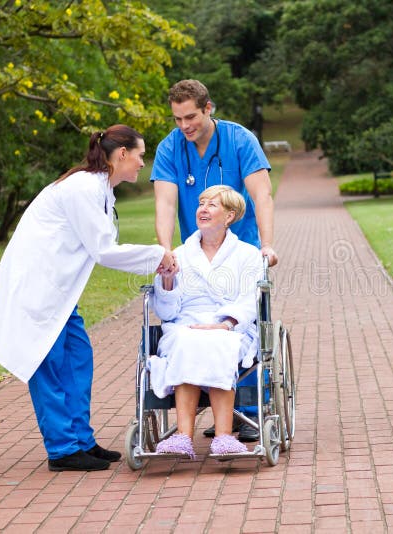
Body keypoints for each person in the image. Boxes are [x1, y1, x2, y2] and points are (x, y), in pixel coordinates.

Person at [0, 125, 175, 472]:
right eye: (140, 156)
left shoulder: (98, 188)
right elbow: (103, 250)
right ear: (121, 155)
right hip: (39, 287)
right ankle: (63, 449)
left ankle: (81, 440)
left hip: (59, 291)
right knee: (50, 364)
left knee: (77, 358)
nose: (142, 164)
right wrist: (157, 255)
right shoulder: (83, 188)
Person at [150, 79, 277, 442]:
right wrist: (166, 251)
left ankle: (248, 413)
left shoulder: (240, 140)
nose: (184, 126)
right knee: (193, 323)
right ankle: (211, 413)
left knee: (245, 325)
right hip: (196, 251)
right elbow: (165, 203)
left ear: (209, 109)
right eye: (177, 119)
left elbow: (262, 195)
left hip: (242, 249)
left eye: (190, 116)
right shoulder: (170, 148)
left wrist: (266, 246)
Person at [148, 185, 262, 457]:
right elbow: (166, 312)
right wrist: (167, 281)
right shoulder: (178, 255)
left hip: (230, 327)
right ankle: (182, 437)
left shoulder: (248, 255)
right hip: (185, 325)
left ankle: (223, 437)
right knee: (187, 340)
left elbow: (251, 299)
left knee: (218, 341)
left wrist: (225, 323)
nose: (203, 208)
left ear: (230, 215)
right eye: (201, 203)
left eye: (212, 204)